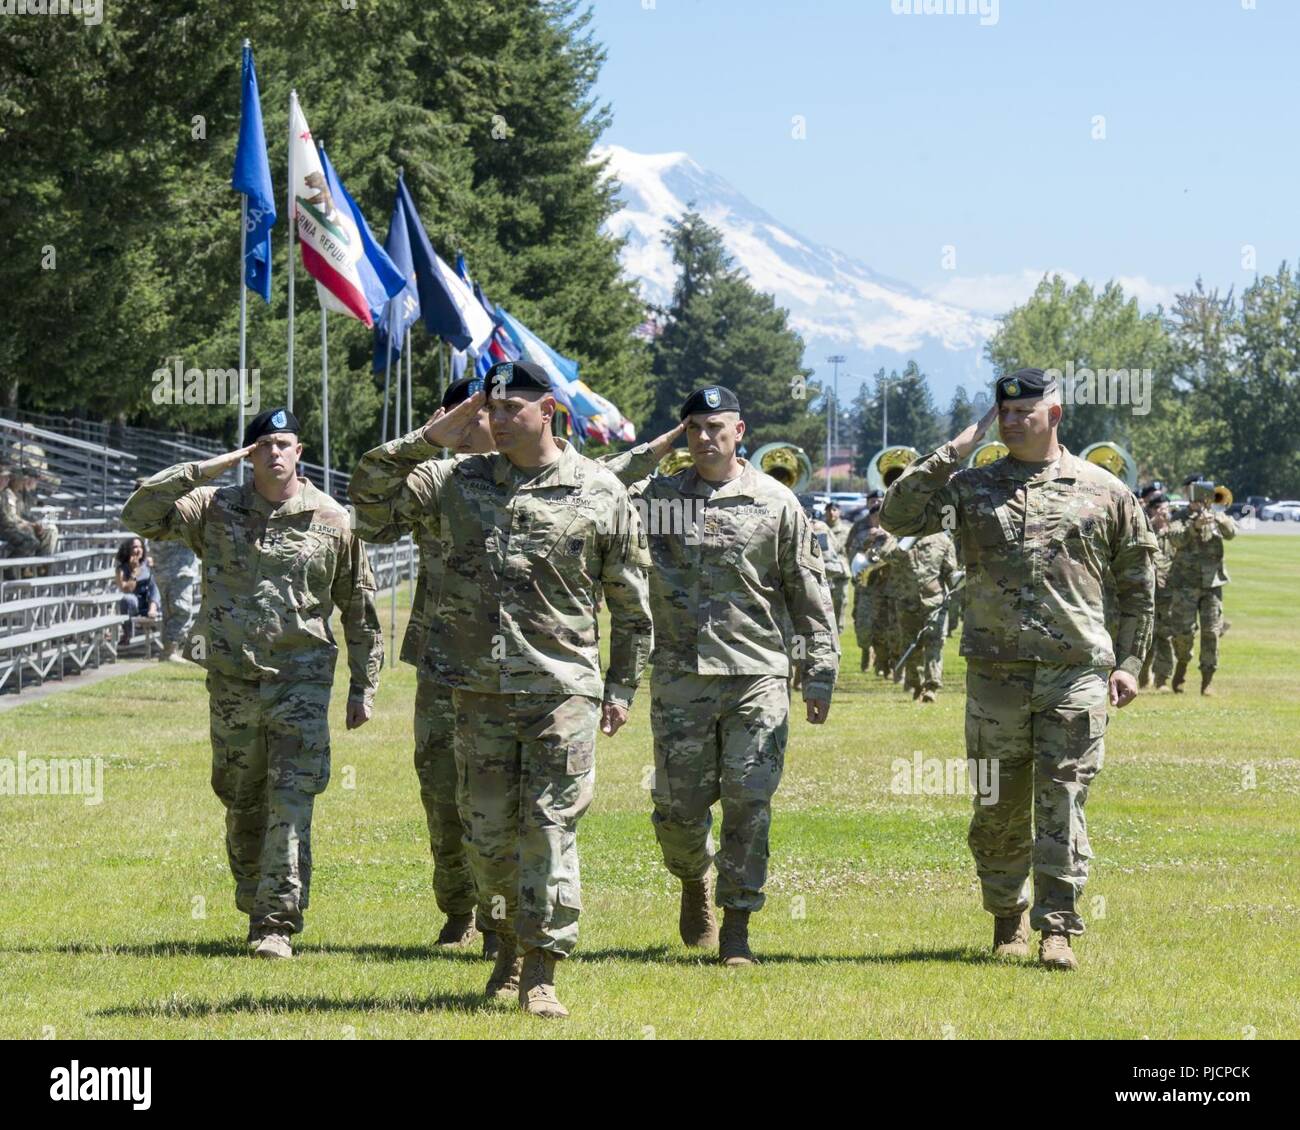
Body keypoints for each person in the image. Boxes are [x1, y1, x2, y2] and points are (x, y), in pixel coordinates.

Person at [349, 360, 653, 1019]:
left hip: (560, 691)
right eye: (491, 407)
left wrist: (622, 687)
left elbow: (631, 603)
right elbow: (369, 506)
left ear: (548, 410)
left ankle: (540, 967)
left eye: (513, 406)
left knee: (548, 828)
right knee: (487, 840)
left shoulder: (599, 491)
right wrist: (430, 437)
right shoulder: (456, 484)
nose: (499, 417)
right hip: (477, 693)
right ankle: (506, 946)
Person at [881, 367, 1155, 971]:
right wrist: (952, 451)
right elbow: (897, 517)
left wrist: (1132, 663)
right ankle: (1006, 914)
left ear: (1054, 416)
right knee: (997, 804)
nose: (1009, 422)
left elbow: (1139, 586)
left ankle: (1056, 928)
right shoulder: (971, 487)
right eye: (1002, 413)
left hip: (1076, 670)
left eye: (1022, 413)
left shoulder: (1104, 490)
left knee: (1064, 799)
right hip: (995, 676)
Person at [122, 407, 382, 960]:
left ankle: (276, 922)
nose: (274, 454)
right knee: (241, 799)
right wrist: (204, 469)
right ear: (248, 454)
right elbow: (140, 513)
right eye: (262, 445)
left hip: (302, 680)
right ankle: (252, 896)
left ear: (300, 451)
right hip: (233, 682)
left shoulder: (333, 519)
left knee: (291, 799)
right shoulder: (214, 509)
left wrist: (365, 684)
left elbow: (358, 607)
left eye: (284, 443)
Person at [622, 384, 839, 966]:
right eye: (693, 428)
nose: (705, 438)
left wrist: (819, 670)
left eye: (716, 427)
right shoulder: (658, 497)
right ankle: (693, 882)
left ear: (740, 432)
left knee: (749, 799)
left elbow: (807, 589)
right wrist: (656, 447)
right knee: (677, 808)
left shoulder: (776, 502)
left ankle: (738, 924)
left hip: (756, 674)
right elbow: (595, 486)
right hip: (680, 677)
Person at [1166, 480, 1235, 695]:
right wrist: (1194, 526)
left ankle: (1207, 681)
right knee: (1183, 632)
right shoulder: (1180, 516)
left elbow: (1231, 533)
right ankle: (1182, 665)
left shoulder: (1216, 514)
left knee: (1211, 632)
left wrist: (1219, 519)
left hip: (1212, 584)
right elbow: (1175, 539)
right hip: (1185, 583)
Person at [886, 531, 958, 702]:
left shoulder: (942, 540)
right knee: (911, 645)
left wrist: (957, 581)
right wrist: (903, 543)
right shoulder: (899, 538)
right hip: (906, 601)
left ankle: (932, 687)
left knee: (935, 643)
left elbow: (950, 571)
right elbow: (889, 558)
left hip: (934, 601)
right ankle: (916, 684)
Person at [1139, 492, 1177, 691]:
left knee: (1166, 635)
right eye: (1159, 508)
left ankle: (1163, 679)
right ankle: (1143, 675)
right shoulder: (1145, 528)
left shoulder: (1174, 531)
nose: (1164, 513)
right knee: (1146, 636)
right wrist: (1153, 522)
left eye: (1166, 508)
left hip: (1168, 591)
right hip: (1147, 592)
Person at [0, 463, 58, 558]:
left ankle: (41, 566)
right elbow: (7, 518)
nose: (7, 480)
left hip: (12, 526)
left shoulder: (20, 494)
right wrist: (28, 524)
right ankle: (12, 569)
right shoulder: (7, 493)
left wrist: (32, 524)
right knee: (31, 539)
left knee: (49, 531)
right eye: (5, 478)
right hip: (6, 528)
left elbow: (20, 514)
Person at [114, 536, 159, 645]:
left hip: (151, 602)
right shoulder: (121, 569)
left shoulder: (147, 563)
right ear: (128, 549)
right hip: (135, 603)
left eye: (140, 547)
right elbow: (126, 589)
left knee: (154, 580)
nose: (138, 550)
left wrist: (154, 566)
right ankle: (127, 633)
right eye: (135, 547)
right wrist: (134, 572)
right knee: (126, 599)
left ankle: (153, 608)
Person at [821, 502, 852, 634]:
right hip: (825, 572)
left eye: (834, 510)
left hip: (841, 572)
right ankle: (825, 630)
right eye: (828, 510)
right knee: (823, 603)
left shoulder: (846, 530)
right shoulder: (819, 528)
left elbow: (850, 548)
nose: (831, 513)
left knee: (840, 602)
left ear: (839, 512)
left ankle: (838, 631)